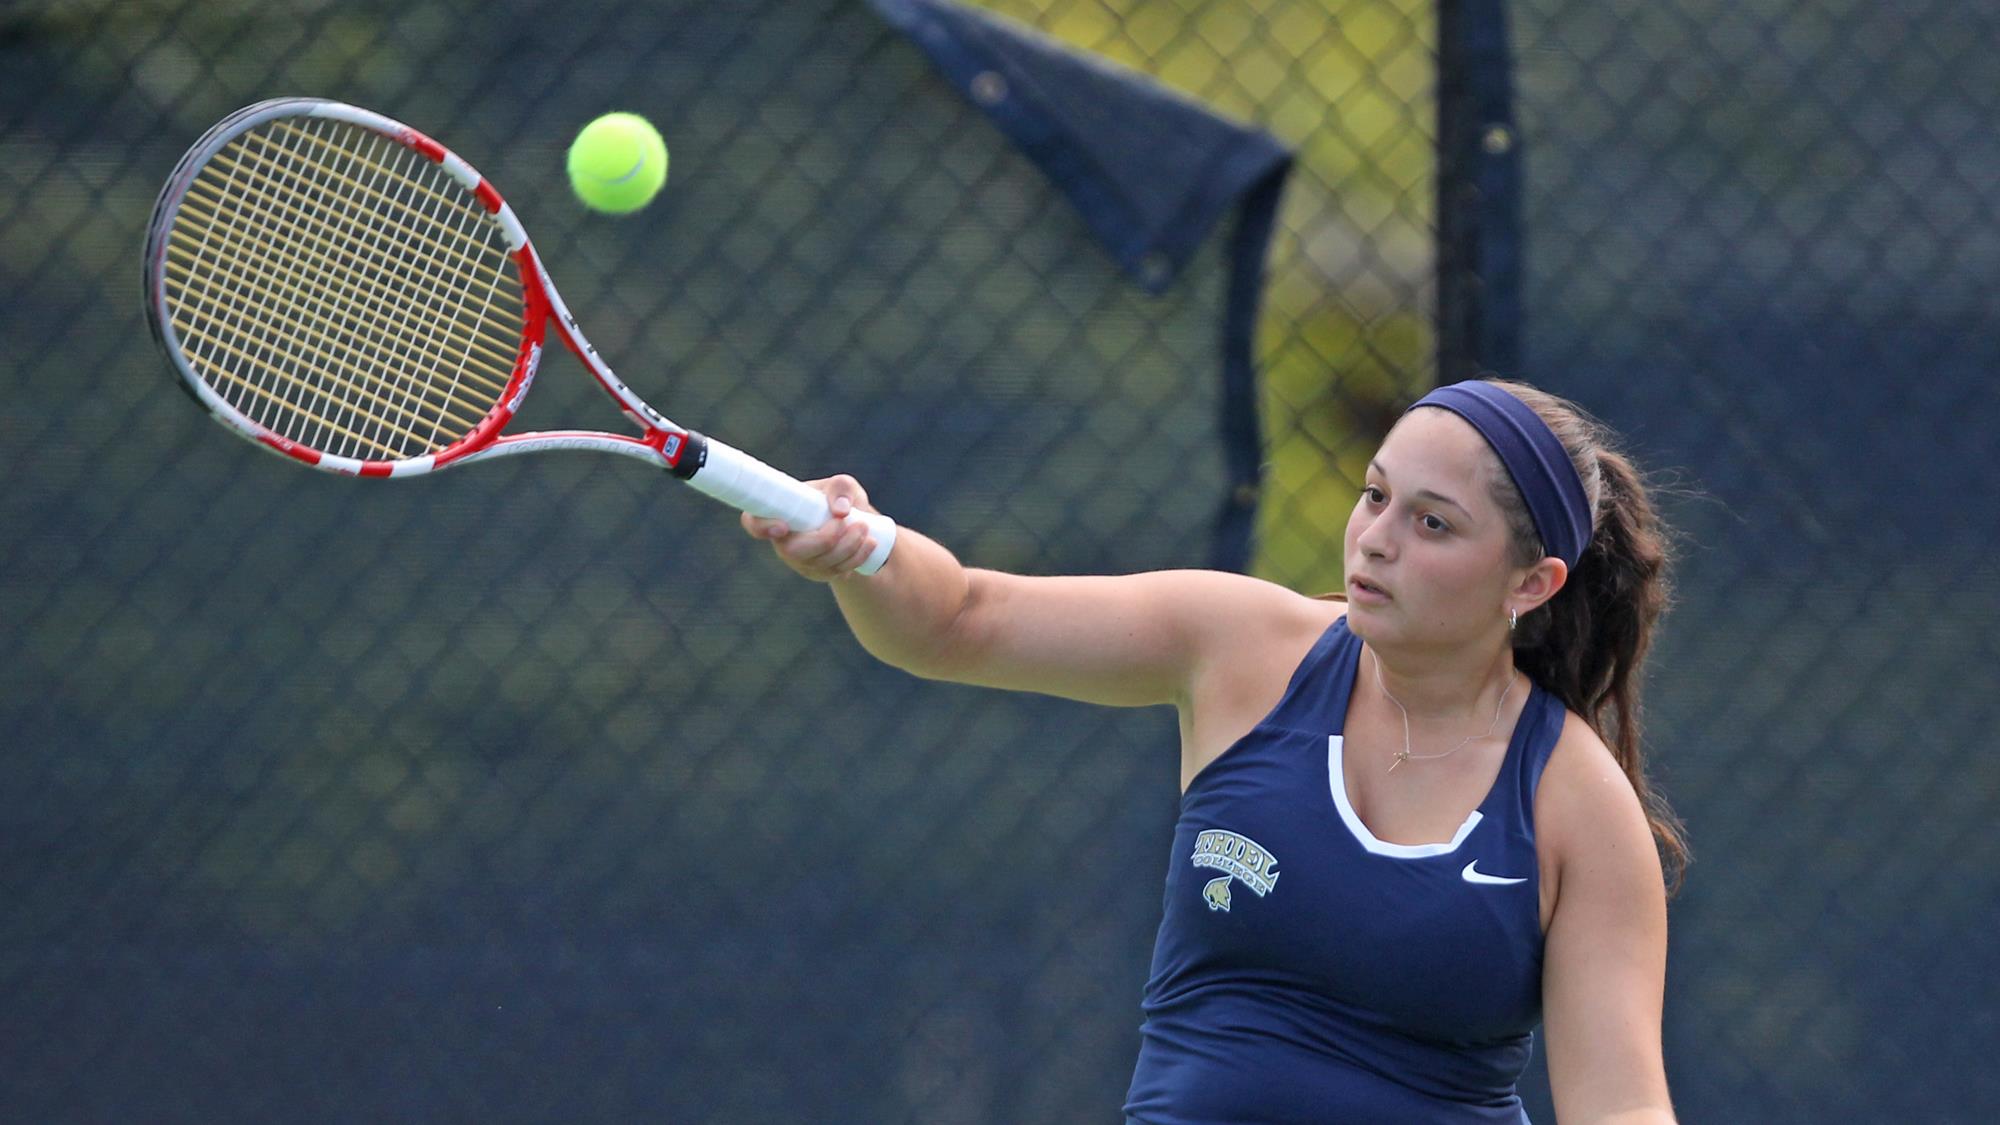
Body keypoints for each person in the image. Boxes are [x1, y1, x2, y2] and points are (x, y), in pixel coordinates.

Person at [743, 378, 1686, 1124]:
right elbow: (956, 618)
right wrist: (863, 550)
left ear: (1533, 580)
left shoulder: (1579, 806)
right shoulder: (1241, 648)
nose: (1376, 540)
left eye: (1432, 523)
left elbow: (1625, 1104)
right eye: (1376, 494)